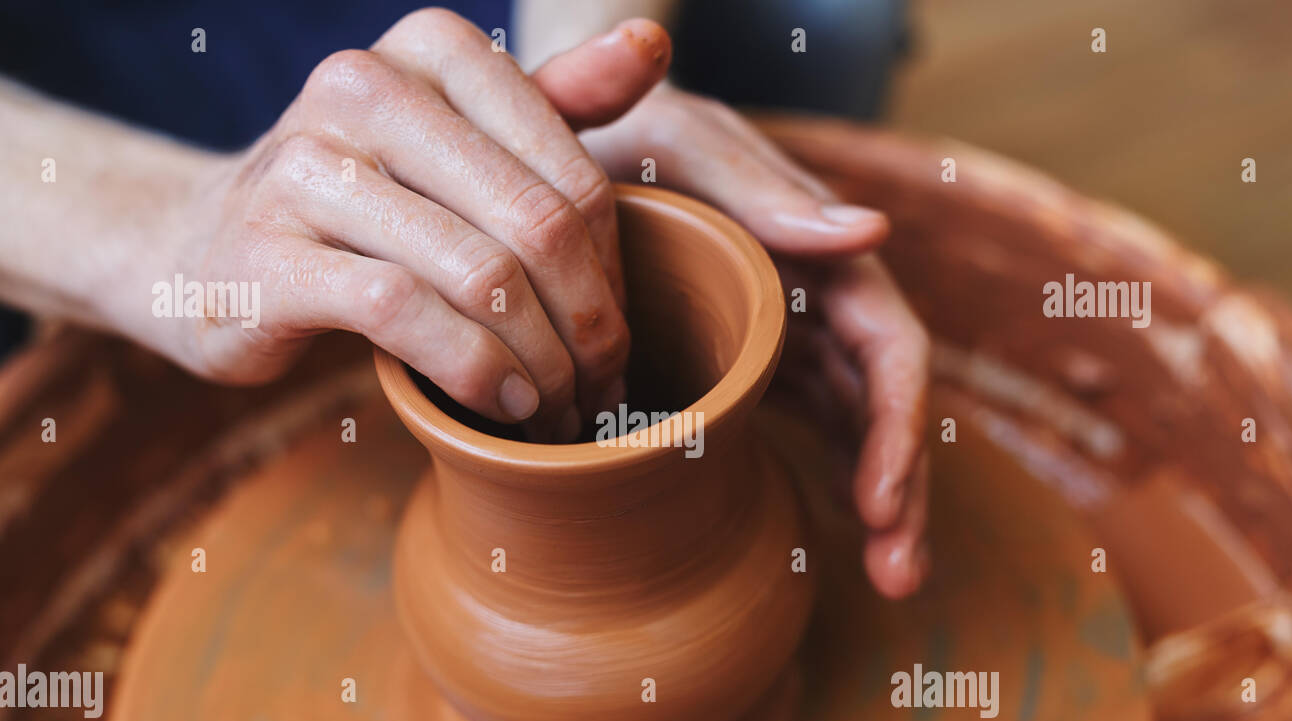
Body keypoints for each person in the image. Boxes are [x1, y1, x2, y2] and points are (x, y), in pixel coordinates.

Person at [0, 1, 929, 597]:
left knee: (829, 17)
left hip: (470, 37)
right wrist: (167, 233)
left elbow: (576, 83)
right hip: (72, 106)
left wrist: (581, 86)